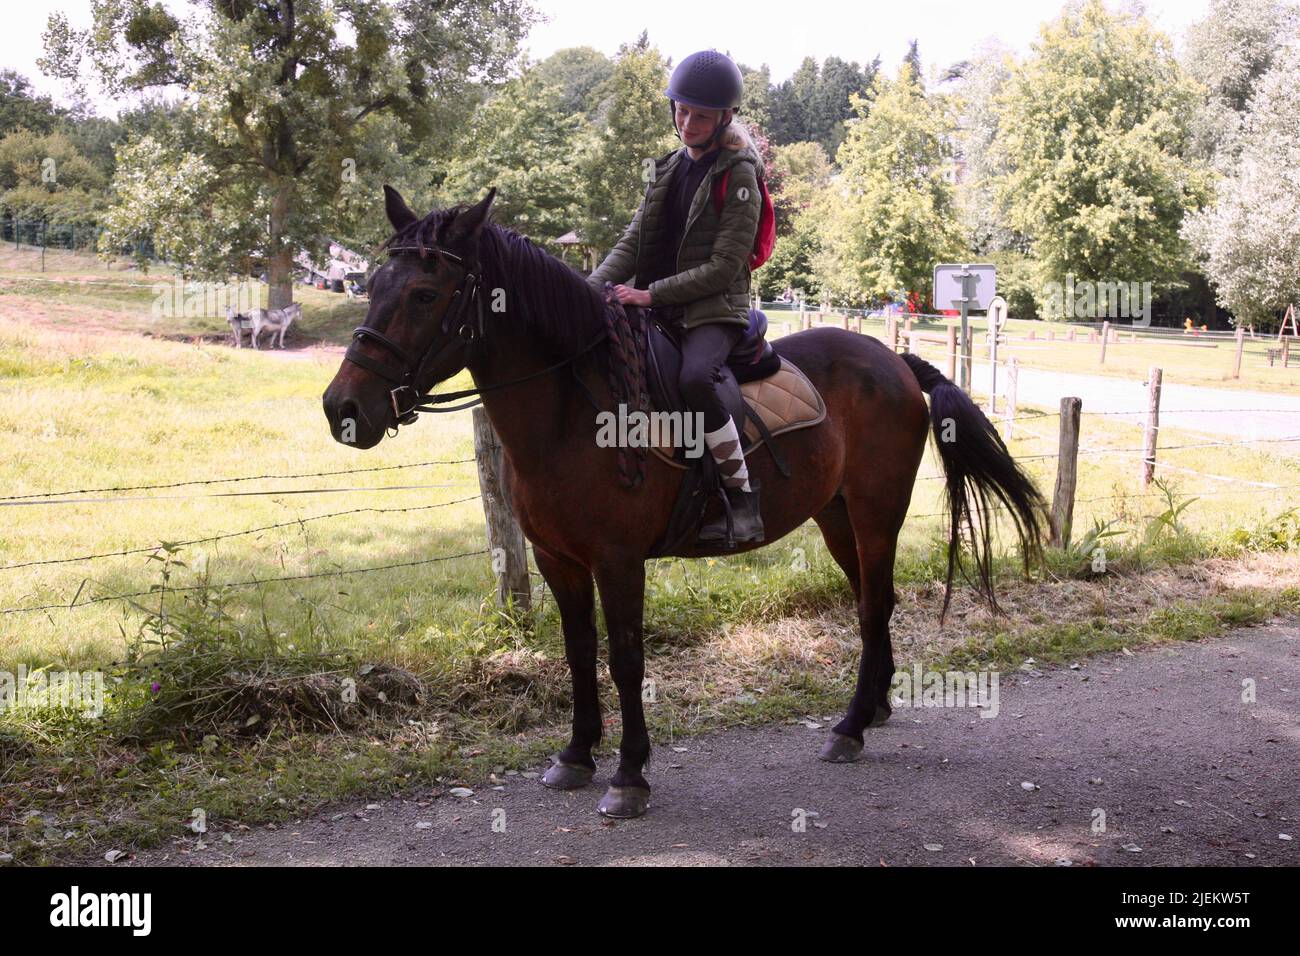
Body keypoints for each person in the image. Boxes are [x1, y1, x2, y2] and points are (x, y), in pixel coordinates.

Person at [588, 49, 765, 544]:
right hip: (657, 301)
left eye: (700, 115)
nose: (687, 122)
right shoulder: (665, 169)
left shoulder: (740, 174)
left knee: (693, 379)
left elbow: (725, 267)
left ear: (724, 117)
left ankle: (743, 497)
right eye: (681, 110)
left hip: (713, 308)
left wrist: (648, 295)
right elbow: (632, 241)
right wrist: (586, 290)